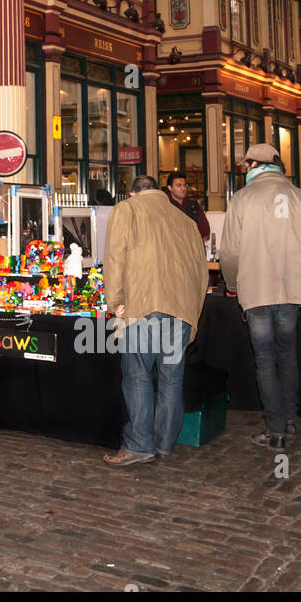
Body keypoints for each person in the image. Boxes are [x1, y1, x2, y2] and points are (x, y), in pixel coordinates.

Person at [221, 143, 301, 450]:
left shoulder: (241, 198)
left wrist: (233, 284)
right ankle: (290, 420)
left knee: (265, 360)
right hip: (291, 290)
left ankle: (275, 430)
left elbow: (229, 252)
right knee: (288, 355)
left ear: (254, 164)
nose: (244, 170)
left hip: (257, 290)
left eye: (246, 164)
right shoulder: (300, 197)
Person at [101, 175, 209, 467]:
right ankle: (163, 443)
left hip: (143, 306)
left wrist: (115, 302)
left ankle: (138, 445)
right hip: (181, 311)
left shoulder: (128, 210)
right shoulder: (186, 221)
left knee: (137, 376)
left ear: (134, 193)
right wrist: (193, 314)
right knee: (171, 379)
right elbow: (202, 274)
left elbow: (114, 257)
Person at [165, 172, 210, 241]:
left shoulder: (194, 206)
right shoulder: (165, 206)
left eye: (185, 185)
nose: (183, 188)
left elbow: (205, 231)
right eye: (179, 185)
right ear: (170, 188)